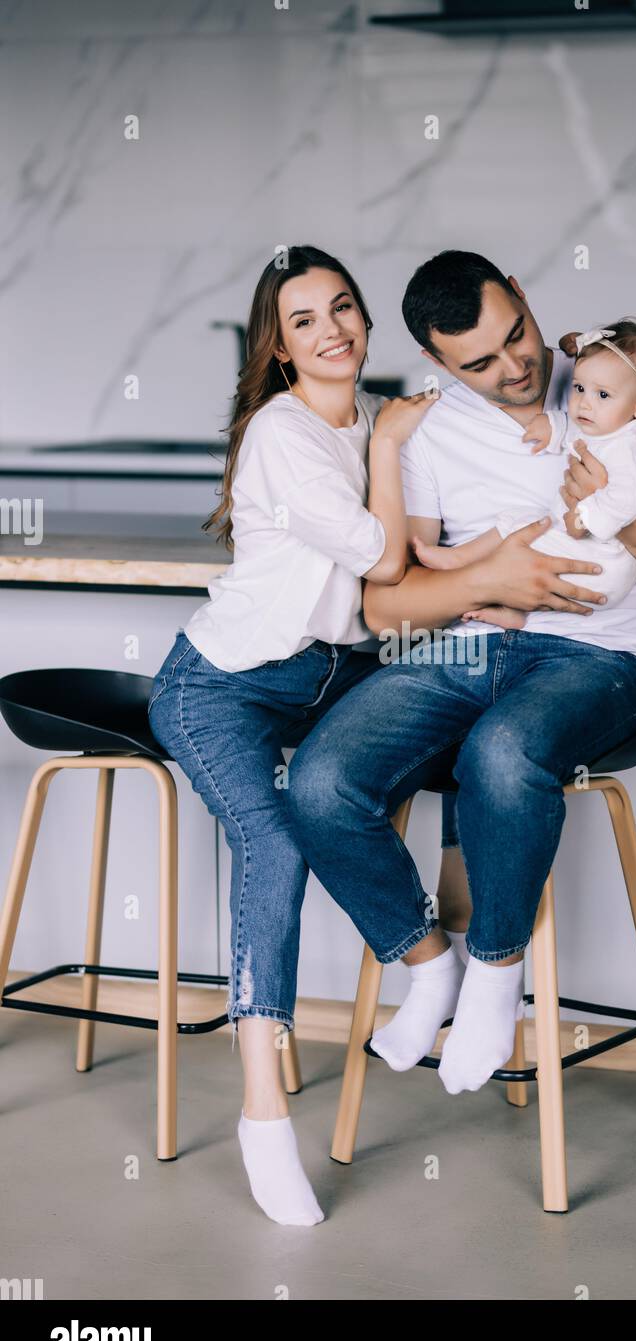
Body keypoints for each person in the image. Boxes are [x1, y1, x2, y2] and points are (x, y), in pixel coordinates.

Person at [284, 249, 636, 1097]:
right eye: (479, 363)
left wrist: (624, 519)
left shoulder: (623, 384)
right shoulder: (424, 429)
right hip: (465, 646)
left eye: (516, 337)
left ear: (522, 298)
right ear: (437, 364)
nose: (515, 367)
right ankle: (428, 965)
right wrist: (488, 581)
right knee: (319, 778)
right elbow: (387, 611)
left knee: (500, 751)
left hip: (600, 658)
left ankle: (495, 973)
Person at [147, 244, 439, 1226]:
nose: (334, 330)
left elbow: (426, 549)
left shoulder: (371, 419)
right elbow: (386, 551)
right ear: (278, 345)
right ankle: (263, 1113)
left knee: (449, 732)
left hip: (328, 679)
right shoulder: (286, 434)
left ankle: (438, 968)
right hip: (220, 689)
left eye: (345, 307)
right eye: (307, 318)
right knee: (271, 838)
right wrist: (394, 453)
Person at [412, 316, 636, 628]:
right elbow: (575, 427)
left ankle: (460, 561)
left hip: (603, 564)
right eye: (579, 388)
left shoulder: (633, 446)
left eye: (602, 395)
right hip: (587, 558)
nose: (584, 404)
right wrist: (553, 425)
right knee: (524, 531)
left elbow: (629, 499)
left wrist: (583, 518)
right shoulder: (608, 425)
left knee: (520, 533)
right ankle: (510, 610)